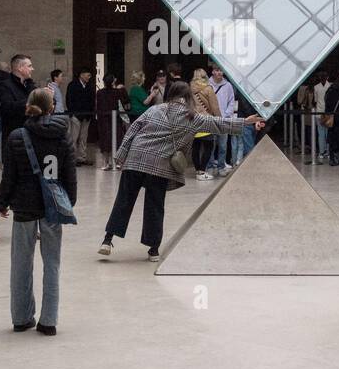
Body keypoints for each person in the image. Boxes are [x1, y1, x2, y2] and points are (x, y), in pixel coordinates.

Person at [98, 81, 263, 262]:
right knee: (155, 205)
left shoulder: (155, 109)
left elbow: (133, 129)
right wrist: (245, 122)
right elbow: (218, 123)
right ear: (188, 97)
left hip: (136, 158)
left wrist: (121, 155)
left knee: (124, 200)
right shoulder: (192, 117)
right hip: (159, 165)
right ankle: (153, 250)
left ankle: (107, 241)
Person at [0, 87, 77, 334]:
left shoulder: (18, 136)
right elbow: (70, 176)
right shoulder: (63, 136)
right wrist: (68, 203)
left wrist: (2, 204)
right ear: (52, 108)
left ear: (28, 106)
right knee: (52, 263)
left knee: (20, 263)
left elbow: (9, 178)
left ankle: (21, 317)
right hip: (52, 208)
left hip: (24, 207)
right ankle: (49, 321)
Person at [190, 68, 220, 179]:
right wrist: (219, 120)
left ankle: (197, 170)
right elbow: (215, 107)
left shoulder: (189, 89)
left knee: (196, 147)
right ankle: (202, 171)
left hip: (194, 121)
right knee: (208, 146)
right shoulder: (208, 89)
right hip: (206, 121)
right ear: (205, 76)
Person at [96, 74, 129, 170]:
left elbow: (98, 106)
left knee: (105, 140)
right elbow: (125, 101)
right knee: (117, 139)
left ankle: (105, 162)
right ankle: (117, 161)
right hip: (115, 118)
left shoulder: (99, 93)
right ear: (113, 82)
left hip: (103, 118)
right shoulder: (117, 92)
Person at [209, 66, 236, 174]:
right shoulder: (207, 84)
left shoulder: (228, 85)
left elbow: (231, 101)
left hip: (224, 120)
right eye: (217, 70)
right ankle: (210, 166)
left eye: (221, 70)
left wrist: (226, 115)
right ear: (213, 71)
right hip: (211, 119)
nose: (219, 72)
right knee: (210, 145)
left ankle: (221, 167)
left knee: (223, 146)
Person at [66, 68, 94, 165]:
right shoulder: (72, 85)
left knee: (83, 138)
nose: (89, 77)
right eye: (88, 75)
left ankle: (82, 157)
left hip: (86, 116)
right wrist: (72, 113)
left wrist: (91, 113)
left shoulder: (89, 86)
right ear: (81, 75)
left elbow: (92, 100)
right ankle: (72, 158)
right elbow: (69, 99)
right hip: (76, 115)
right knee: (74, 137)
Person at [313, 71, 329, 162]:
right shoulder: (330, 86)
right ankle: (328, 151)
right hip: (327, 112)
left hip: (319, 112)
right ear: (327, 77)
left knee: (320, 133)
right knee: (328, 133)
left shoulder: (316, 87)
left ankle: (321, 152)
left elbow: (315, 100)